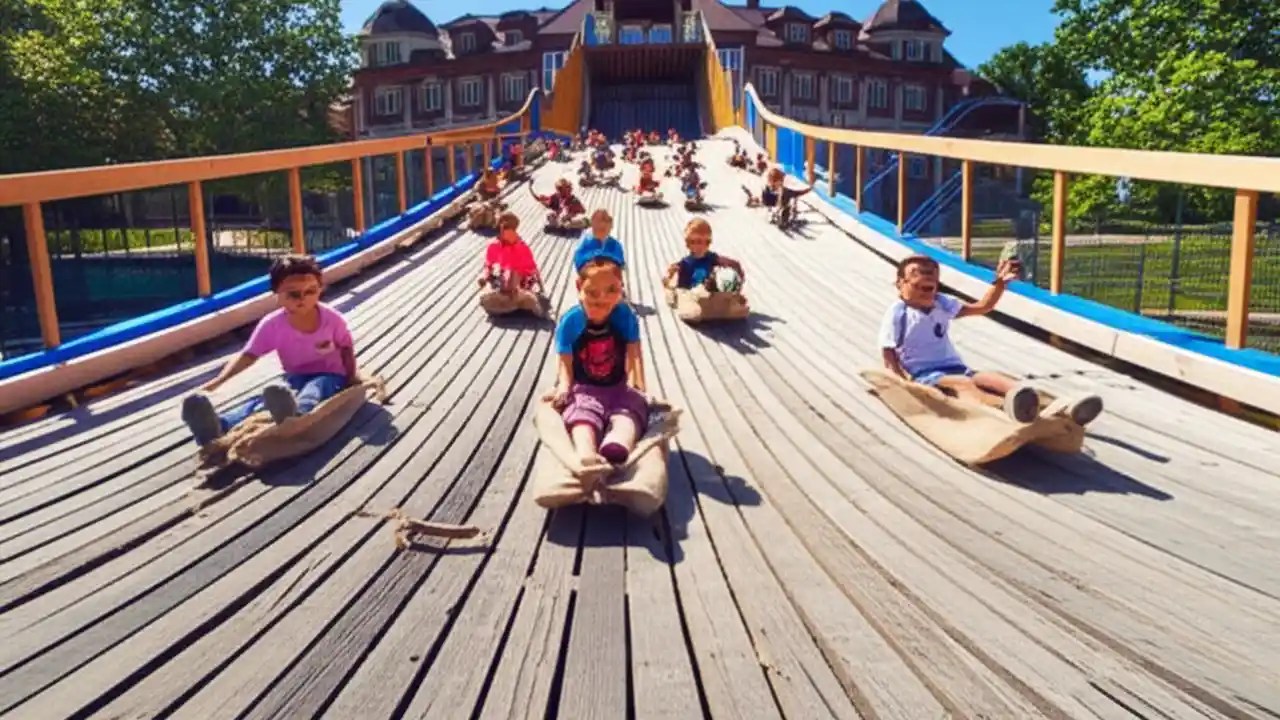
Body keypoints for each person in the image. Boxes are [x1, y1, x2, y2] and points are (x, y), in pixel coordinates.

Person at [879, 254, 1104, 425]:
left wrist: (1000, 284)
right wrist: (903, 384)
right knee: (965, 386)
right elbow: (888, 352)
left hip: (957, 367)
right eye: (917, 279)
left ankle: (1060, 406)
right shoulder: (899, 312)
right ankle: (1005, 411)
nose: (926, 285)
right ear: (900, 284)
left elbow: (982, 307)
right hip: (927, 374)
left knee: (993, 378)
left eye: (931, 282)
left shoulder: (941, 303)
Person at [181, 255, 357, 446]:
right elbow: (249, 355)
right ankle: (218, 425)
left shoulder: (332, 319)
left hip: (331, 374)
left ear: (320, 289)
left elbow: (346, 348)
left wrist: (351, 377)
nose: (303, 299)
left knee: (317, 387)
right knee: (261, 400)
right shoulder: (272, 325)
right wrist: (218, 381)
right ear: (277, 294)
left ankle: (298, 415)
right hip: (295, 376)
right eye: (293, 294)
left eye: (311, 291)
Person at [547, 256, 648, 465]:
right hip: (585, 388)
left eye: (612, 291)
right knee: (582, 417)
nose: (602, 299)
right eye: (593, 293)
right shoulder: (572, 321)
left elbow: (634, 352)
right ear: (579, 287)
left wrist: (639, 384)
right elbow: (565, 360)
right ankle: (586, 452)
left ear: (621, 288)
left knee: (630, 413)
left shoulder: (624, 316)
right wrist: (564, 386)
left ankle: (617, 443)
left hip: (618, 387)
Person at [664, 218, 745, 293]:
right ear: (688, 244)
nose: (700, 246)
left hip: (711, 300)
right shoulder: (685, 264)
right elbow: (676, 286)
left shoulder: (712, 258)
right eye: (694, 242)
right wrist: (671, 277)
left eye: (704, 242)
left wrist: (737, 278)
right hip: (692, 300)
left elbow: (735, 264)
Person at [479, 211, 542, 294]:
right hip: (505, 275)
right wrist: (486, 275)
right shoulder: (495, 246)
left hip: (520, 278)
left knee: (514, 277)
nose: (504, 231)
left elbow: (532, 268)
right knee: (503, 278)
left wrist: (540, 285)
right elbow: (489, 264)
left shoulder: (522, 248)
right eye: (503, 228)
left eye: (508, 228)